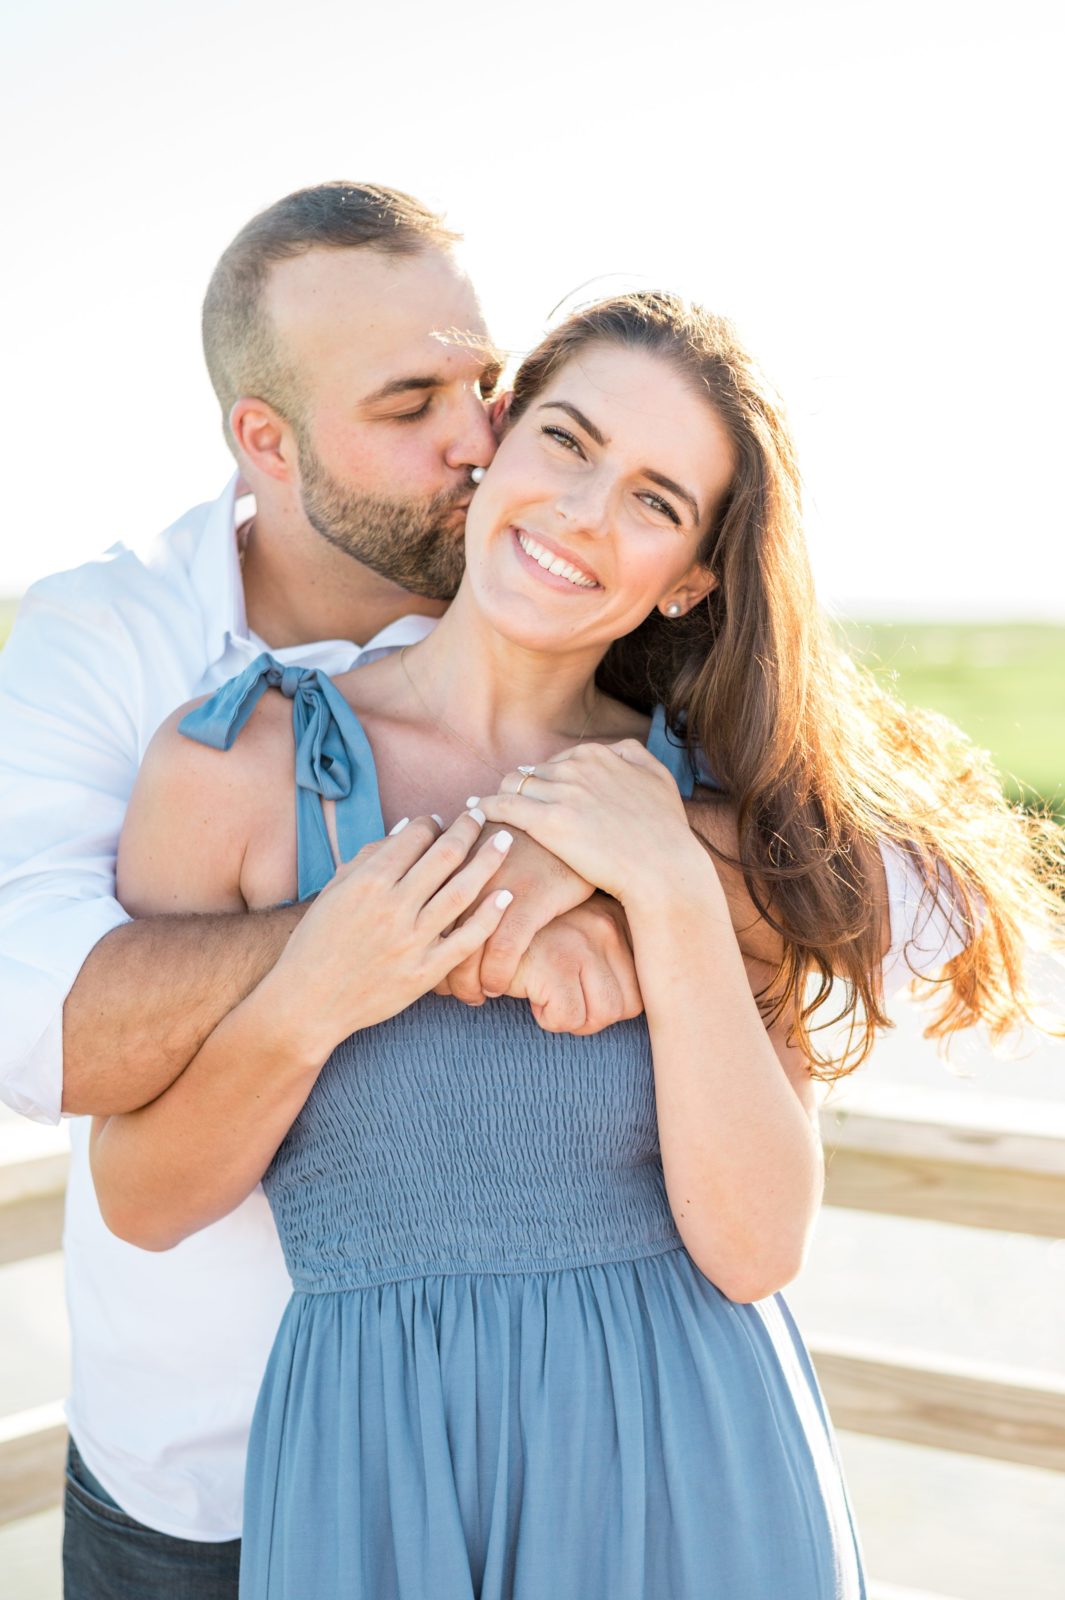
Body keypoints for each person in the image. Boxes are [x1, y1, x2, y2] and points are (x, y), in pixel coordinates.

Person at [0, 181, 943, 1597]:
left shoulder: (691, 807)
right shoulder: (221, 747)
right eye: (559, 439)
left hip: (692, 1467)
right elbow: (104, 1131)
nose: (563, 502)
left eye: (655, 502)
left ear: (690, 578)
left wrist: (659, 898)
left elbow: (757, 1243)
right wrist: (363, 955)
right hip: (335, 1471)